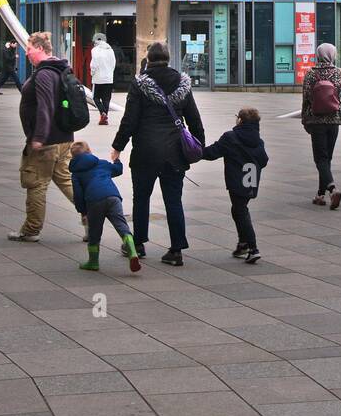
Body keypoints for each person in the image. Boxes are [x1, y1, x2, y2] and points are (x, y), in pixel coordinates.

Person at [110, 41, 204, 266]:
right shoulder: (182, 83)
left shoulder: (139, 84)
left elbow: (129, 121)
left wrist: (118, 146)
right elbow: (194, 118)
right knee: (174, 201)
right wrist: (200, 144)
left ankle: (139, 244)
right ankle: (176, 249)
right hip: (174, 153)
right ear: (168, 58)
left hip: (146, 151)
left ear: (148, 59)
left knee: (141, 198)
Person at [9, 31, 79, 243]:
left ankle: (31, 229)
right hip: (64, 138)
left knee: (36, 183)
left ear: (40, 48)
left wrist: (39, 137)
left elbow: (45, 105)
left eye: (29, 49)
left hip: (47, 142)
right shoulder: (60, 69)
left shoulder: (45, 74)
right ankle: (91, 216)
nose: (26, 54)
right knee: (66, 181)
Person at [202, 107, 269, 264]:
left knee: (241, 211)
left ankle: (253, 248)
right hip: (251, 181)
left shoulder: (231, 137)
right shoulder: (258, 141)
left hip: (237, 181)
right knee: (238, 209)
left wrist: (194, 152)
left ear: (240, 120)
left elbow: (212, 153)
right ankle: (243, 244)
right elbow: (264, 160)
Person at [68, 140, 140, 273]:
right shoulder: (101, 163)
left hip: (94, 201)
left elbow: (78, 195)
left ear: (73, 157)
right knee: (121, 225)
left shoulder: (76, 173)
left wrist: (83, 211)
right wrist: (116, 159)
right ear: (89, 151)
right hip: (113, 197)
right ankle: (132, 250)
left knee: (94, 232)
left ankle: (93, 262)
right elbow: (118, 170)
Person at [301, 42, 341, 208]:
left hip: (316, 120)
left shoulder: (311, 74)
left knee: (320, 158)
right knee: (327, 158)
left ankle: (332, 190)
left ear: (318, 54)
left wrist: (304, 119)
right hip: (334, 120)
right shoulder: (339, 73)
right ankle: (320, 195)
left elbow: (306, 98)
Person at [89, 33, 116, 126]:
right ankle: (105, 118)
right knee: (106, 99)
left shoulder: (95, 50)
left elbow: (94, 64)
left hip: (98, 78)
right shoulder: (110, 50)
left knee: (95, 97)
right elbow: (113, 64)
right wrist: (110, 73)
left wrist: (92, 73)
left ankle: (102, 113)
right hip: (109, 78)